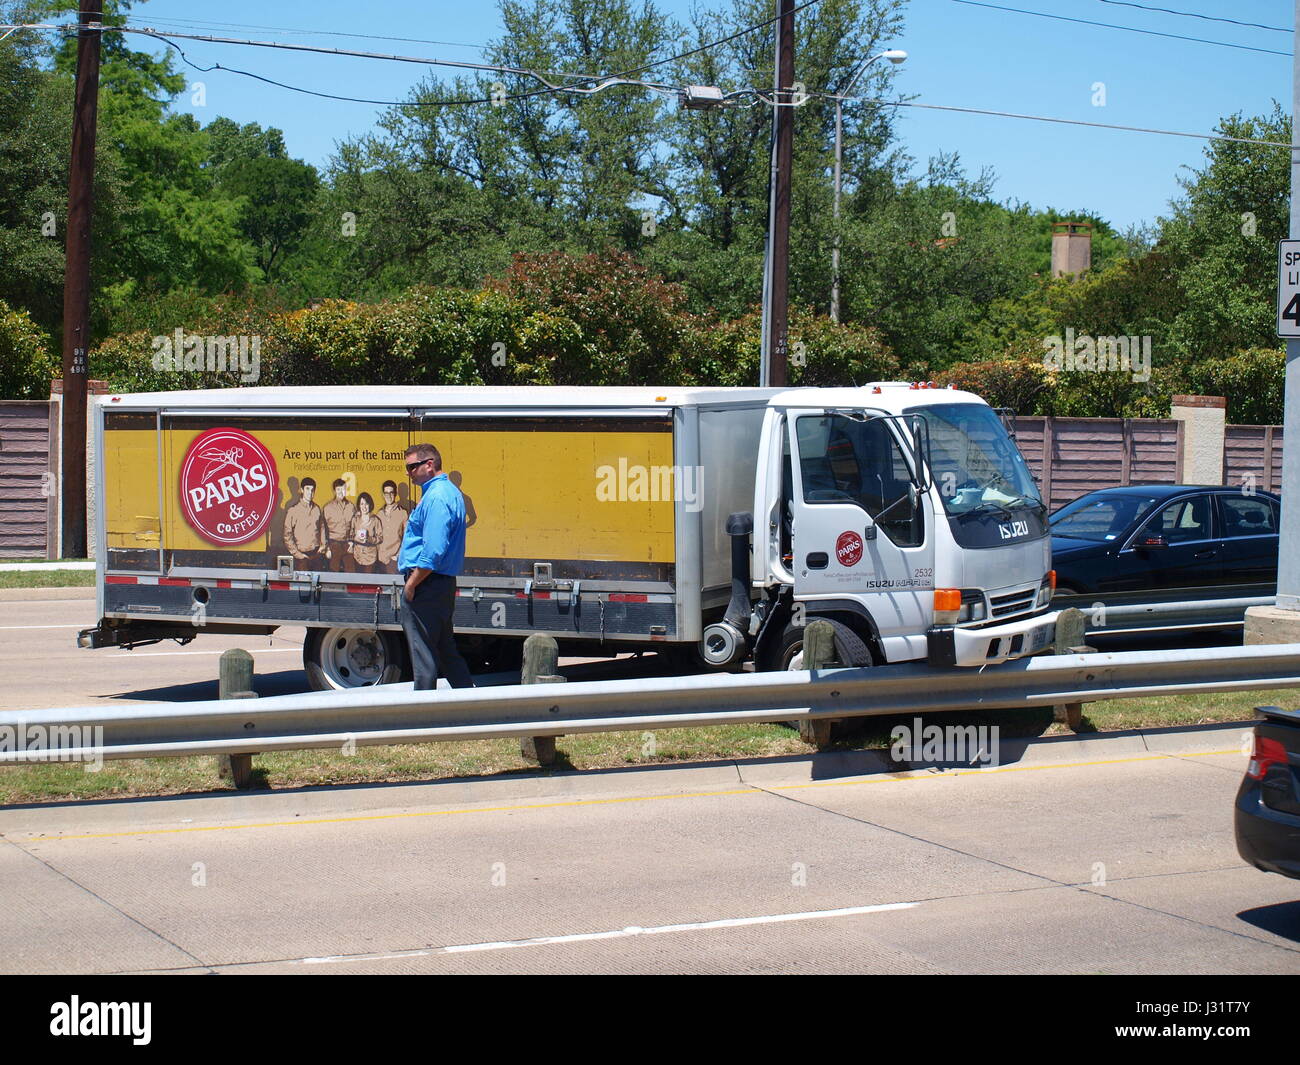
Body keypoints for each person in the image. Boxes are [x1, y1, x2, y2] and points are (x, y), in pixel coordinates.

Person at [398, 444, 474, 690]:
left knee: (423, 657)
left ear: (429, 464)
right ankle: (472, 709)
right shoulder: (447, 492)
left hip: (427, 584)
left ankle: (422, 719)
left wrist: (411, 585)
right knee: (445, 651)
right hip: (438, 584)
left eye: (412, 467)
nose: (408, 473)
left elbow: (433, 551)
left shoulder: (437, 497)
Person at [282, 476, 326, 570]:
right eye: (307, 489)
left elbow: (322, 528)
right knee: (302, 583)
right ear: (302, 490)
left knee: (319, 583)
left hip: (316, 554)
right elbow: (287, 535)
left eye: (312, 490)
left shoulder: (317, 509)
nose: (310, 493)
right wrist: (298, 554)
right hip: (301, 557)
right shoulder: (293, 511)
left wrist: (323, 546)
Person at [323, 477, 356, 572]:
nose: (341, 492)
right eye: (338, 489)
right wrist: (327, 548)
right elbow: (323, 530)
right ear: (334, 491)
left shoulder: (351, 507)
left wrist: (352, 543)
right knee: (333, 573)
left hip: (348, 544)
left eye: (343, 489)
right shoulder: (327, 508)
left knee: (351, 572)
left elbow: (355, 526)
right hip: (334, 544)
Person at [376, 479, 408, 575]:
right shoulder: (379, 514)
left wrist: (397, 556)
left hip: (394, 561)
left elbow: (406, 538)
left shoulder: (403, 513)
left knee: (393, 588)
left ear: (395, 494)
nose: (389, 496)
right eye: (386, 493)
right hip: (380, 560)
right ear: (383, 495)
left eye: (391, 493)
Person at [348, 492, 383, 573]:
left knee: (368, 581)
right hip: (357, 556)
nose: (364, 507)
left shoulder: (375, 520)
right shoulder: (355, 519)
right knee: (358, 581)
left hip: (370, 557)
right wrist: (354, 538)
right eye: (362, 504)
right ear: (359, 506)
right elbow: (351, 534)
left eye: (366, 504)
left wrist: (369, 539)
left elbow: (380, 538)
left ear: (370, 505)